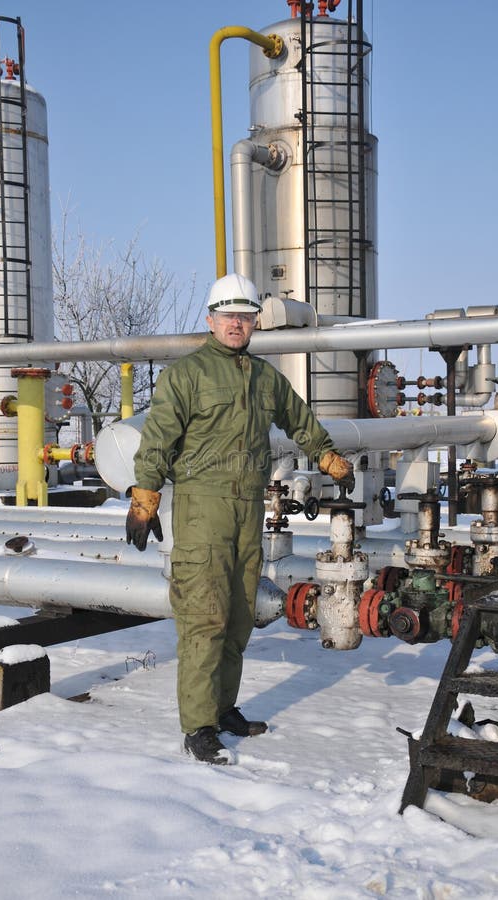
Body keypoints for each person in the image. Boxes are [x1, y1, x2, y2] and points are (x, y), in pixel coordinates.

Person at [126, 273, 354, 765]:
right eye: (228, 316)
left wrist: (330, 457)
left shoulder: (266, 377)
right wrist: (144, 496)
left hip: (249, 510)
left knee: (238, 617)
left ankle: (223, 707)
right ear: (211, 320)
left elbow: (300, 420)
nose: (236, 324)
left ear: (254, 324)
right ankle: (199, 726)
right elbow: (159, 437)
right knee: (204, 619)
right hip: (202, 510)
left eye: (245, 317)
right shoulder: (186, 375)